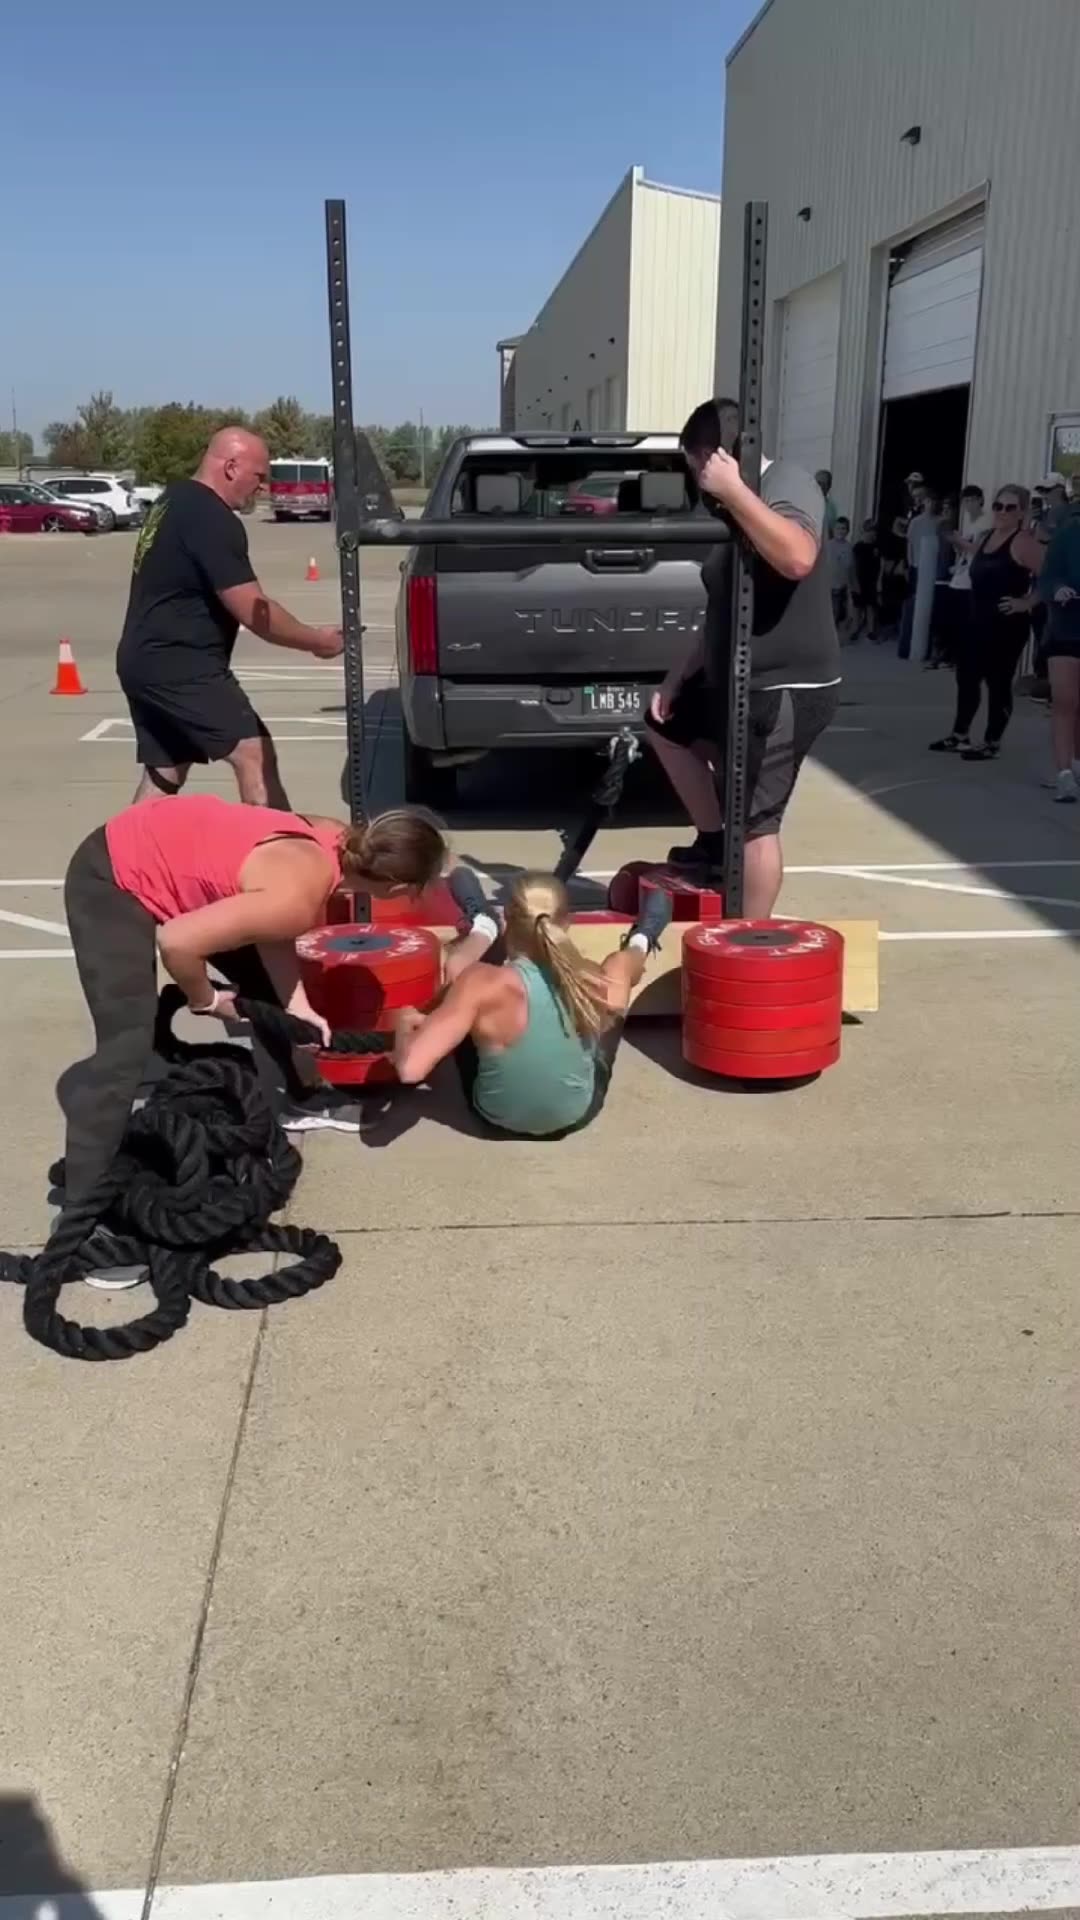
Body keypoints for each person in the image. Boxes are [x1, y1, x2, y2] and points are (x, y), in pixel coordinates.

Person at [58, 794, 448, 1211]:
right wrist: (206, 1000)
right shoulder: (299, 896)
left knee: (267, 987)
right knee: (124, 1052)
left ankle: (301, 1098)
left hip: (172, 855)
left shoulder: (338, 838)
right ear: (400, 888)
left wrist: (297, 1004)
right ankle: (83, 1215)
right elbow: (177, 942)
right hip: (112, 873)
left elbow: (275, 927)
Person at [644, 395, 840, 918]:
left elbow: (798, 556)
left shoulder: (786, 482)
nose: (696, 484)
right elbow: (720, 609)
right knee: (664, 726)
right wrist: (674, 678)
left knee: (756, 822)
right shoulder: (733, 509)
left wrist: (732, 491)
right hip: (734, 683)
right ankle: (712, 842)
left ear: (720, 458)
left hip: (785, 689)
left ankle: (746, 939)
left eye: (697, 469)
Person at [116, 428, 344, 808]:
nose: (263, 488)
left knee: (167, 769)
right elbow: (254, 610)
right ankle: (277, 857)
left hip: (145, 660)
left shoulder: (173, 500)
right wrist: (317, 641)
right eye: (259, 477)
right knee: (254, 753)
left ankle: (121, 860)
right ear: (231, 467)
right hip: (180, 664)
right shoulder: (210, 516)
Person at [391, 873, 672, 1137]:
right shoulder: (592, 980)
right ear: (567, 923)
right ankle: (642, 937)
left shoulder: (478, 982)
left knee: (460, 971)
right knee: (620, 967)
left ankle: (485, 925)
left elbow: (409, 1070)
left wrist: (405, 1025)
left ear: (509, 920)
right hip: (576, 1116)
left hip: (494, 1120)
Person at [929, 485, 1042, 762]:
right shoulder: (987, 537)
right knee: (966, 677)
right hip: (976, 620)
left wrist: (1026, 602)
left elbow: (1052, 574)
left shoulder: (1023, 542)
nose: (1002, 512)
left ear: (1022, 513)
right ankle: (960, 735)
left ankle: (992, 742)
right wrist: (954, 539)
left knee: (998, 682)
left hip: (1007, 625)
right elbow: (975, 553)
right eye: (998, 506)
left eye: (1010, 507)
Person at [1036, 480, 1080, 801]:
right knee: (1065, 701)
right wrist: (1058, 589)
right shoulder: (1069, 532)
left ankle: (1076, 764)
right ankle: (1064, 773)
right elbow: (1048, 575)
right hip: (1066, 626)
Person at [851, 518, 882, 640]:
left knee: (870, 606)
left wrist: (879, 581)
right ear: (865, 531)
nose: (873, 534)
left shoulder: (876, 548)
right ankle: (855, 629)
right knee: (857, 606)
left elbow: (881, 565)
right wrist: (853, 582)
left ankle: (871, 630)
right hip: (859, 579)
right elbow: (853, 565)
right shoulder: (858, 547)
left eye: (875, 532)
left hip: (872, 581)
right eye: (871, 531)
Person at [828, 516, 857, 636]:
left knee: (839, 613)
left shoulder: (849, 547)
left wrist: (853, 586)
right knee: (829, 614)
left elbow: (850, 568)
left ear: (847, 531)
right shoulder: (827, 545)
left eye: (844, 528)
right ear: (834, 529)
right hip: (828, 585)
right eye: (838, 528)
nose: (841, 531)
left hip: (842, 587)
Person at [815, 469, 839, 534]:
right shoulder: (803, 504)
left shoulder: (832, 508)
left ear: (829, 486)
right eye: (819, 483)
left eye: (824, 484)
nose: (821, 487)